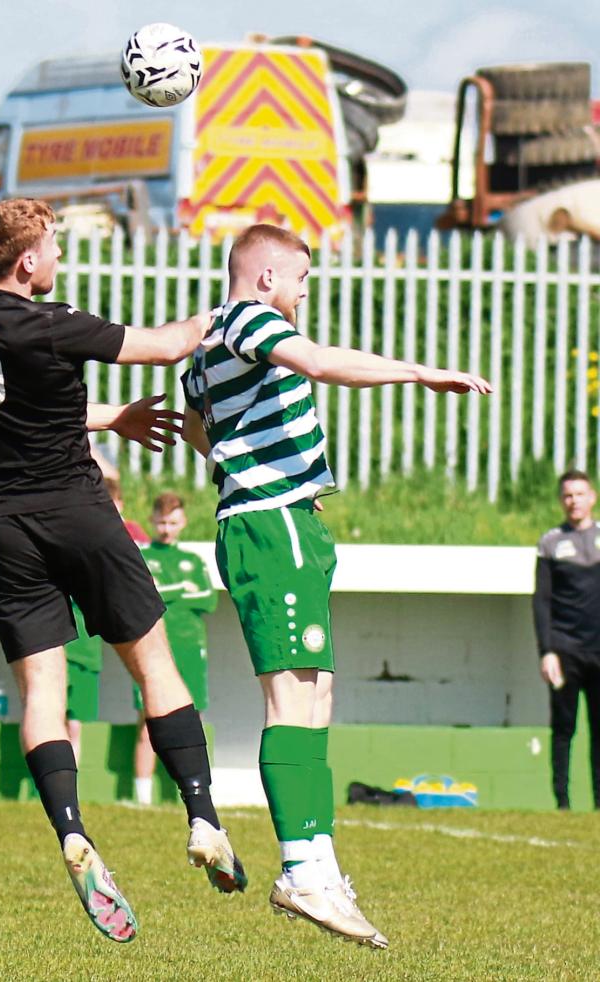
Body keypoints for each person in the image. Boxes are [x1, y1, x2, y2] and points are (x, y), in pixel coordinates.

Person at [0, 198, 245, 945]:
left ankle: (71, 831)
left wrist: (112, 419)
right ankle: (202, 813)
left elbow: (20, 408)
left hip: (2, 523)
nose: (59, 260)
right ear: (28, 262)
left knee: (41, 688)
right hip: (78, 508)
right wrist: (239, 304)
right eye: (54, 248)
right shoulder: (53, 321)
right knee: (154, 665)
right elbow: (168, 345)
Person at [180, 223, 492, 948]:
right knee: (292, 693)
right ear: (265, 278)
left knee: (317, 693)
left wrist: (250, 458)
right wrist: (420, 373)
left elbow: (200, 430)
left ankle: (318, 862)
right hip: (271, 523)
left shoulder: (204, 349)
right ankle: (302, 871)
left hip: (285, 519)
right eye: (300, 281)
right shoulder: (249, 319)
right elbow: (317, 363)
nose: (303, 294)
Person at [133, 492, 216, 805]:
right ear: (152, 520)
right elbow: (145, 595)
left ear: (183, 523)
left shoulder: (192, 561)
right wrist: (182, 590)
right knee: (147, 723)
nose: (167, 528)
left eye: (173, 522)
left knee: (194, 721)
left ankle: (196, 795)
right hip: (153, 649)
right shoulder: (142, 556)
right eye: (162, 522)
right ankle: (141, 797)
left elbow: (208, 599)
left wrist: (171, 593)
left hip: (191, 648)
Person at [533, 469, 600, 812]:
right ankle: (563, 803)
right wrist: (547, 652)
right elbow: (542, 601)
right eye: (568, 495)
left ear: (593, 497)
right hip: (566, 652)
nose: (574, 501)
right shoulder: (551, 543)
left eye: (580, 494)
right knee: (564, 730)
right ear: (562, 500)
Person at [65, 602, 103, 765]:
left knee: (74, 726)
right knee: (50, 721)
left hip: (87, 658)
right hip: (56, 654)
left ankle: (68, 783)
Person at [105, 475, 149, 545]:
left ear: (121, 504)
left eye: (111, 504)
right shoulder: (91, 531)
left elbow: (147, 551)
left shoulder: (133, 529)